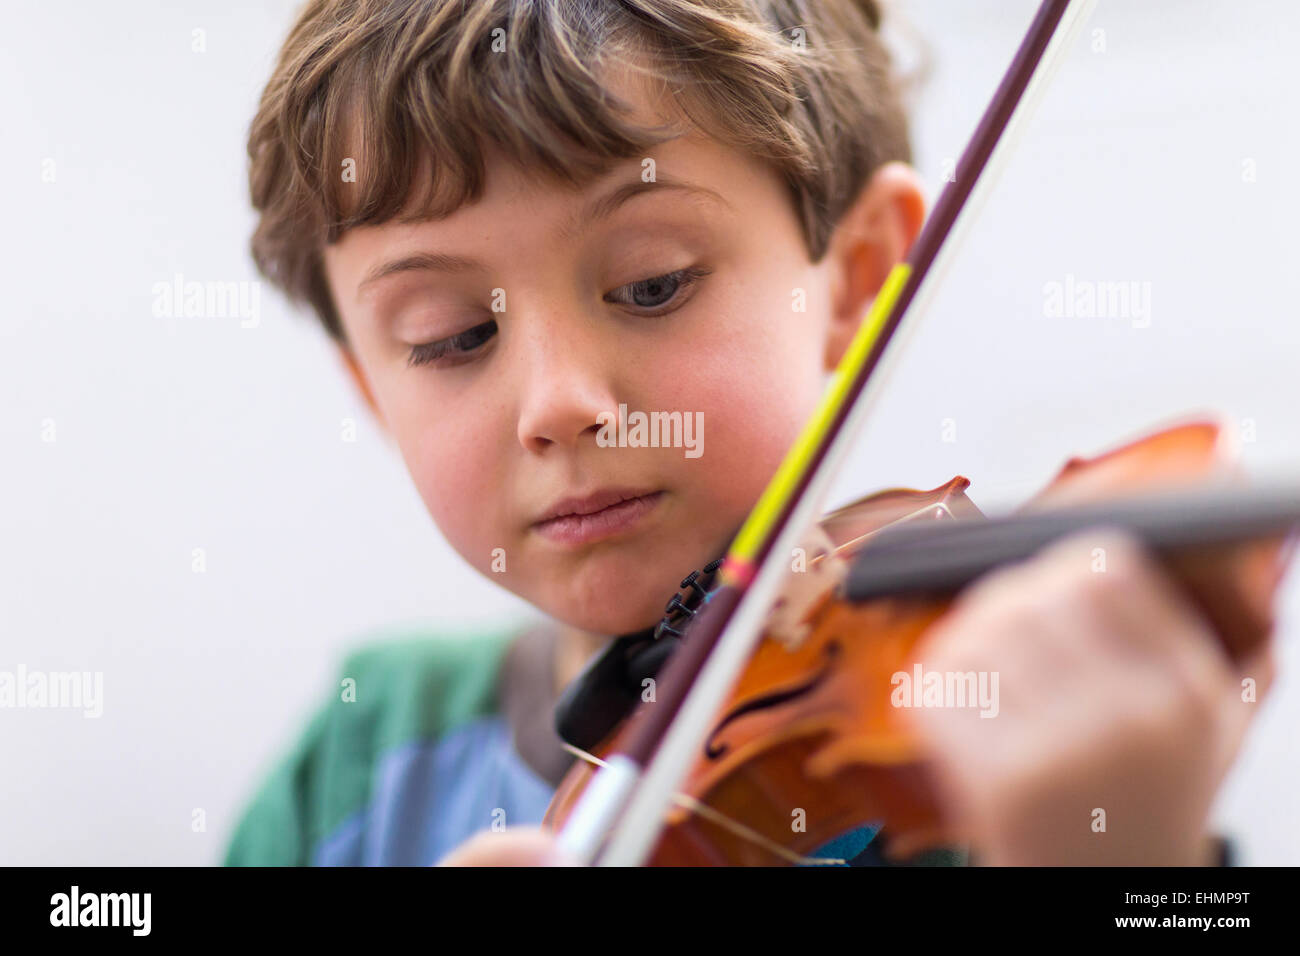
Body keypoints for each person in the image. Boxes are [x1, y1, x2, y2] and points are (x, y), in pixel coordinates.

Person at [224, 0, 1268, 866]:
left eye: (651, 283)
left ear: (860, 278)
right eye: (451, 338)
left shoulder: (983, 765)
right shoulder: (357, 768)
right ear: (370, 386)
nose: (557, 403)